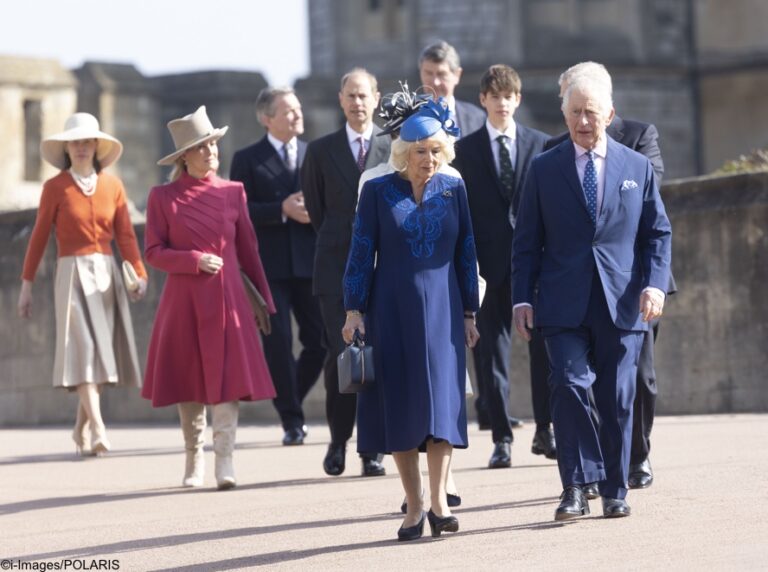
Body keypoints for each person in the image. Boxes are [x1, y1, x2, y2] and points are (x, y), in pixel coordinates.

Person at [512, 71, 672, 520]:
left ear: (610, 115)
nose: (583, 121)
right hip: (561, 302)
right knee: (567, 385)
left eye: (592, 113)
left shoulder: (635, 167)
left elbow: (657, 232)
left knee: (618, 397)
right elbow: (526, 241)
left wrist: (655, 284)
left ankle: (615, 489)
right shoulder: (544, 169)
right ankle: (576, 487)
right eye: (575, 112)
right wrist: (522, 298)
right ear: (564, 115)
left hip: (622, 302)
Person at [342, 98, 480, 541]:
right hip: (392, 308)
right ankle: (414, 503)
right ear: (403, 153)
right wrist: (352, 309)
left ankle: (440, 502)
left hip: (444, 308)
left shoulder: (454, 189)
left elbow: (467, 252)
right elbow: (361, 252)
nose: (429, 158)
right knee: (400, 404)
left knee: (442, 404)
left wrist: (470, 314)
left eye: (436, 150)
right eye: (420, 151)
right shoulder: (377, 191)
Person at [142, 106, 276, 490]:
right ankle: (192, 456)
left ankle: (226, 458)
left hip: (228, 300)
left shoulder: (234, 192)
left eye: (213, 144)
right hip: (182, 301)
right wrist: (194, 260)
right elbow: (153, 251)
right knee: (189, 383)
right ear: (184, 156)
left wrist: (264, 300)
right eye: (202, 146)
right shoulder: (161, 197)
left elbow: (249, 251)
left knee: (228, 381)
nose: (211, 151)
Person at [18, 112, 147, 457]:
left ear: (96, 146)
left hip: (105, 274)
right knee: (84, 350)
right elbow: (39, 238)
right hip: (70, 273)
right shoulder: (54, 188)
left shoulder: (114, 186)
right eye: (74, 142)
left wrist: (139, 273)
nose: (81, 147)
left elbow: (125, 236)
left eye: (86, 141)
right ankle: (100, 427)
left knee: (102, 355)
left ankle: (80, 427)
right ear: (67, 148)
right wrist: (26, 285)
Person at [453, 65, 549, 469]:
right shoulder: (465, 149)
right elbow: (461, 214)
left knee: (543, 348)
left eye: (508, 95)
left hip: (533, 264)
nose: (502, 102)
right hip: (487, 267)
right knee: (490, 353)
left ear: (518, 99)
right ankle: (501, 439)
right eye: (495, 95)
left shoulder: (541, 144)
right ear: (483, 101)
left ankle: (546, 430)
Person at [301, 68, 391, 478]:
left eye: (364, 95)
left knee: (379, 357)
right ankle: (339, 438)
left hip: (384, 268)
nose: (357, 103)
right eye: (350, 96)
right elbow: (318, 214)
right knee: (344, 356)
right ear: (341, 100)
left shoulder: (394, 146)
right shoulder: (320, 152)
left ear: (376, 98)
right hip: (335, 267)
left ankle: (372, 448)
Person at [230, 87, 325, 447]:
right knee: (278, 341)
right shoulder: (247, 159)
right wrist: (280, 209)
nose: (296, 116)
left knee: (320, 341)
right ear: (267, 119)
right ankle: (292, 420)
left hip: (310, 262)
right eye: (287, 112)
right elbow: (240, 212)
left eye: (298, 109)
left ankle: (290, 400)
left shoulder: (313, 153)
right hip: (269, 266)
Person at [418, 40, 486, 137]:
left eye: (441, 74)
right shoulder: (406, 119)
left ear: (457, 75)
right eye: (428, 73)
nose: (435, 82)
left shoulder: (478, 119)